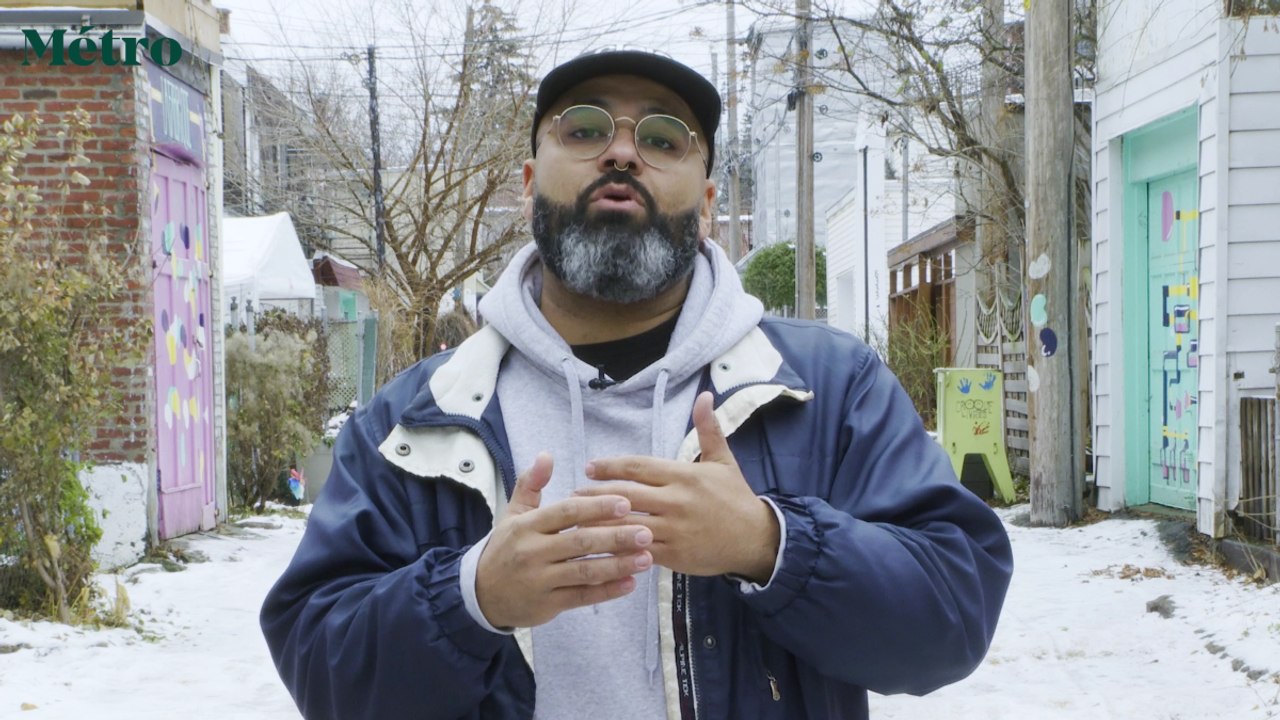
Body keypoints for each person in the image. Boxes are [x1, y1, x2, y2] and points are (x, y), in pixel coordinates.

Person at [260, 48, 1013, 720]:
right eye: (584, 130)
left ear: (710, 201)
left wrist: (768, 544)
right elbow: (321, 670)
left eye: (662, 138)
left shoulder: (827, 388)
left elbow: (954, 611)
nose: (622, 152)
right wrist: (472, 596)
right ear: (529, 184)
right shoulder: (417, 420)